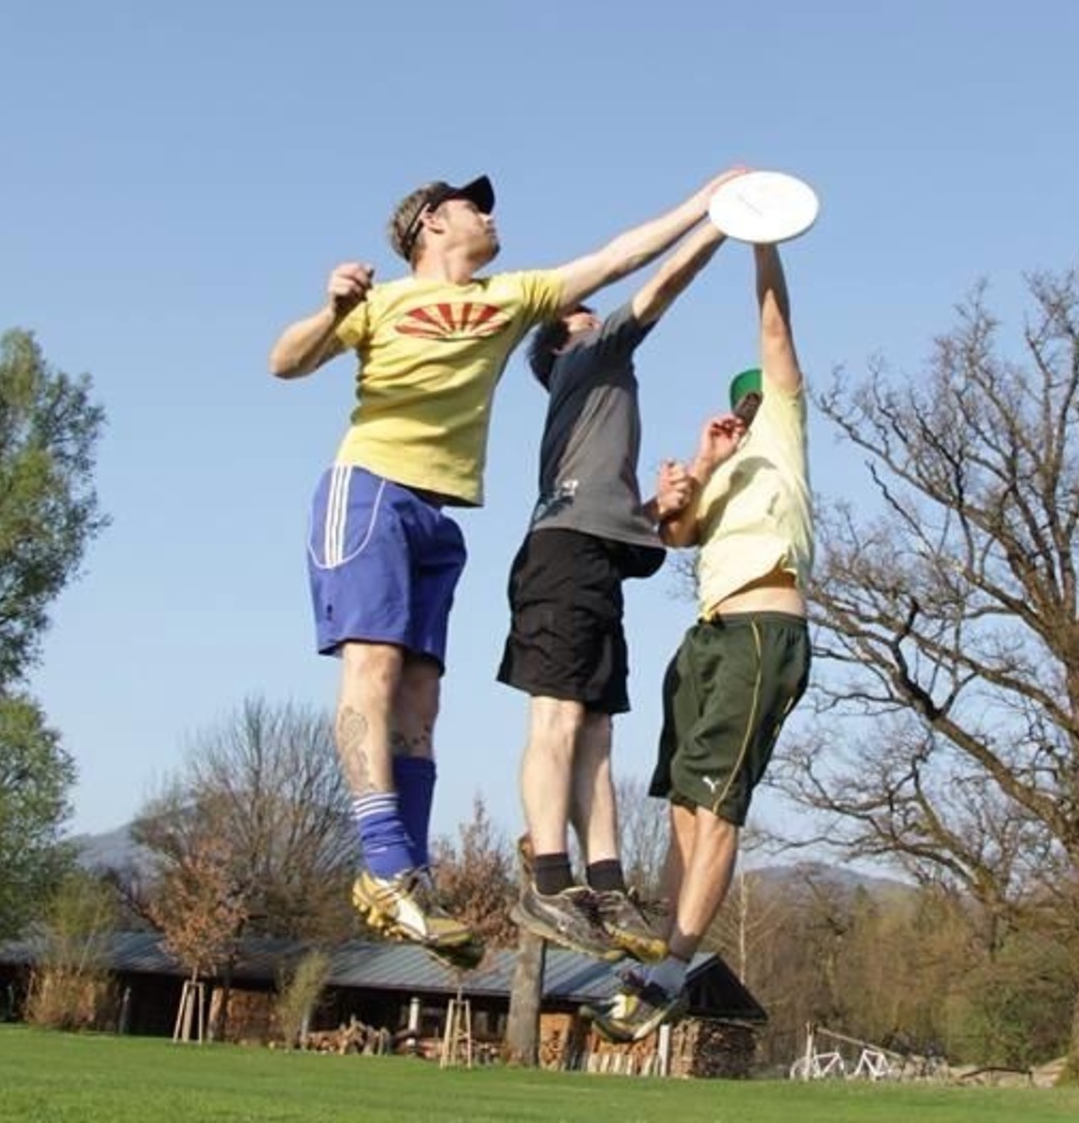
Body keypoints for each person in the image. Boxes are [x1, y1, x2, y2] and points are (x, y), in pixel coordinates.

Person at [268, 168, 741, 967]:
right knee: (375, 668)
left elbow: (621, 256)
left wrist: (706, 202)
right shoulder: (383, 302)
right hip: (369, 488)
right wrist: (333, 311)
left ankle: (408, 879)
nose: (488, 213)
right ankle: (383, 861)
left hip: (437, 516)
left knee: (422, 697)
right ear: (430, 224)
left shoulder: (508, 298)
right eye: (471, 205)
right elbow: (286, 361)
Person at [588, 240, 812, 1040]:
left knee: (716, 810)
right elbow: (675, 536)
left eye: (759, 403)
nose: (749, 414)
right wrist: (696, 474)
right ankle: (663, 954)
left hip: (763, 629)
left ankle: (672, 968)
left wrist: (763, 245)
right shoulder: (729, 464)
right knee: (685, 806)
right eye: (740, 406)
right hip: (707, 635)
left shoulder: (783, 440)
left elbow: (777, 340)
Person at [499, 218, 728, 963]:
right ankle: (549, 879)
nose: (598, 313)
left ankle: (605, 882)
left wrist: (673, 493)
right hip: (560, 556)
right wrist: (725, 220)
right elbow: (662, 284)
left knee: (597, 733)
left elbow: (649, 542)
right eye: (584, 312)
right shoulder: (586, 359)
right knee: (559, 718)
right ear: (565, 340)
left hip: (594, 559)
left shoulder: (604, 415)